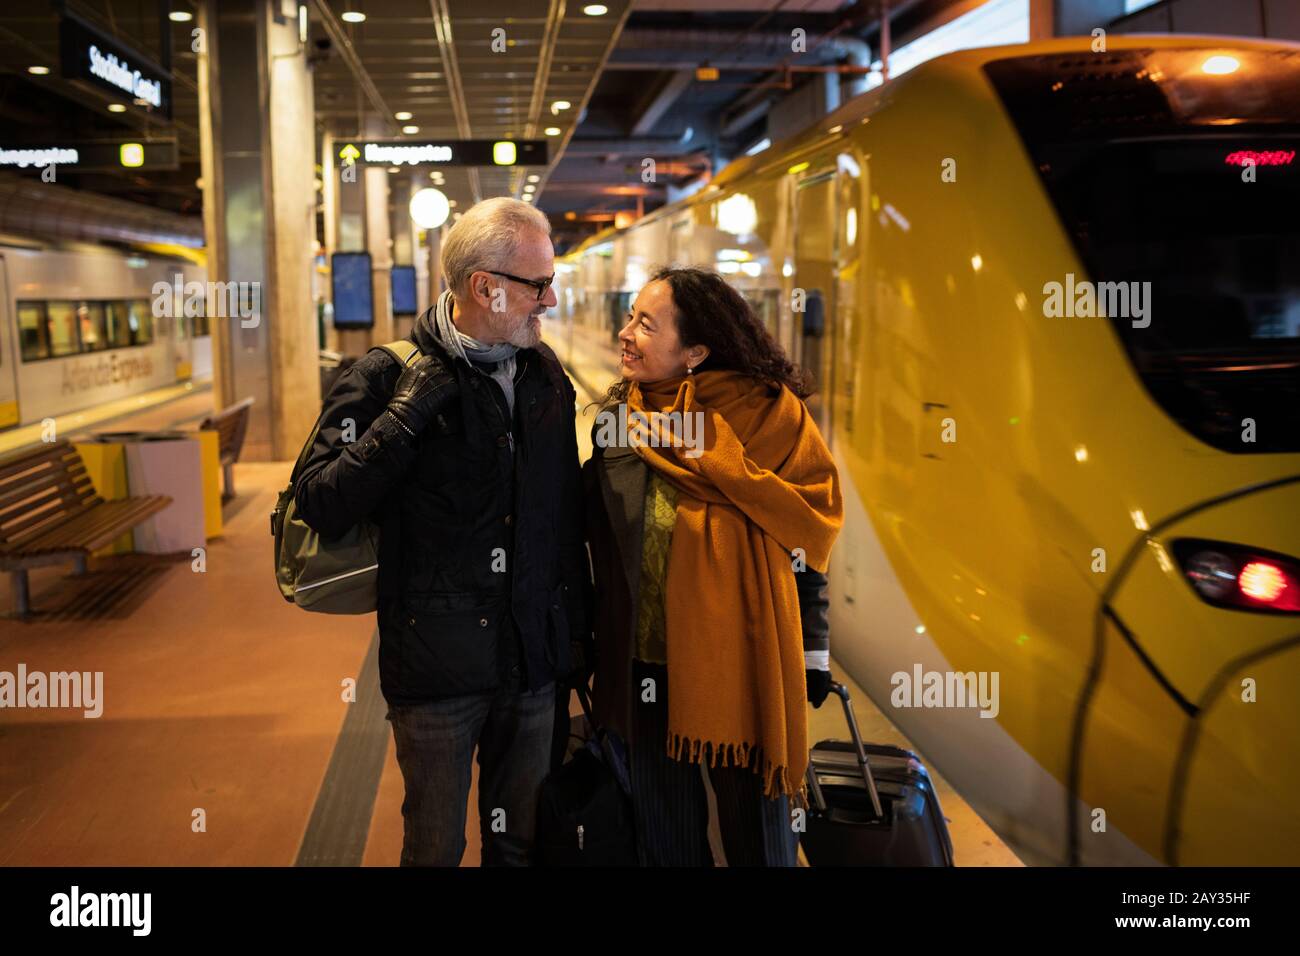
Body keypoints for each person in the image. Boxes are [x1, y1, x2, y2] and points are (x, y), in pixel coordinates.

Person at [295, 197, 591, 866]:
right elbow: (320, 502)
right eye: (538, 285)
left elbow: (561, 519)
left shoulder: (545, 376)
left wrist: (574, 636)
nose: (548, 301)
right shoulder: (383, 376)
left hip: (533, 666)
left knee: (519, 845)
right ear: (485, 287)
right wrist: (404, 419)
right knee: (435, 848)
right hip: (436, 673)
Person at [583, 266, 843, 866]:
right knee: (666, 840)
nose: (626, 333)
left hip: (744, 664)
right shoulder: (620, 419)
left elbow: (806, 538)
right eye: (630, 317)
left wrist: (814, 651)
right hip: (645, 662)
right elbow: (588, 533)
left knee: (760, 840)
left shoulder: (774, 421)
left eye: (645, 324)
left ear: (696, 351)